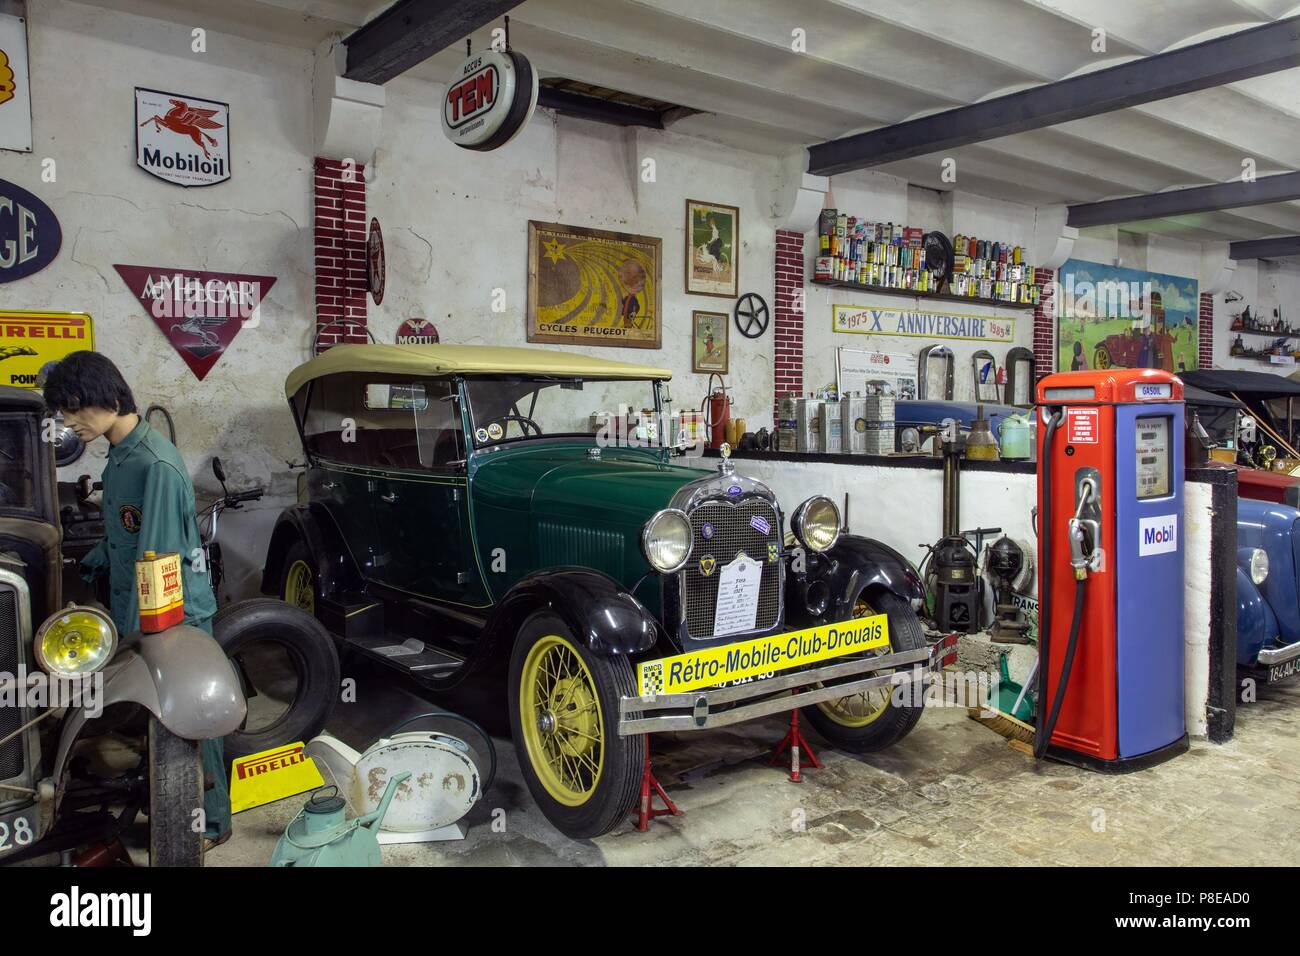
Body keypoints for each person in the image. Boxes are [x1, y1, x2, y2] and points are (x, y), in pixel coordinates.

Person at [43, 351, 229, 850]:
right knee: (157, 718)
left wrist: (126, 638)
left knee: (192, 716)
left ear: (101, 398)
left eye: (71, 408)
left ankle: (211, 821)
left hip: (172, 611)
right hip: (134, 601)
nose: (66, 422)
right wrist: (98, 558)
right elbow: (126, 530)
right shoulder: (120, 455)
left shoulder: (156, 464)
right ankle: (165, 794)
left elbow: (159, 561)